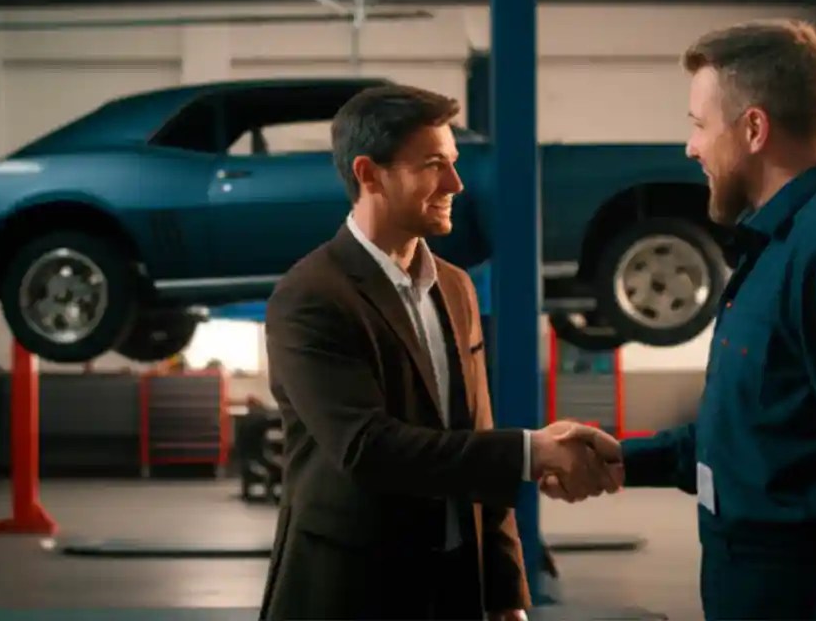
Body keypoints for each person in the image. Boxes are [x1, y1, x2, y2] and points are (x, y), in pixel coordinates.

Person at [545, 20, 816, 619]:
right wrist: (622, 458)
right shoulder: (774, 247)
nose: (691, 148)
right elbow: (754, 434)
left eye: (700, 126)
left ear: (753, 128)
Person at [259, 84, 623, 621]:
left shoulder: (455, 287)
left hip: (455, 586)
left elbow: (473, 430)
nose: (455, 183)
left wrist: (506, 592)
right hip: (351, 591)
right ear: (369, 174)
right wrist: (532, 453)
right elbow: (367, 448)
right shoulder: (310, 296)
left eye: (452, 163)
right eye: (433, 165)